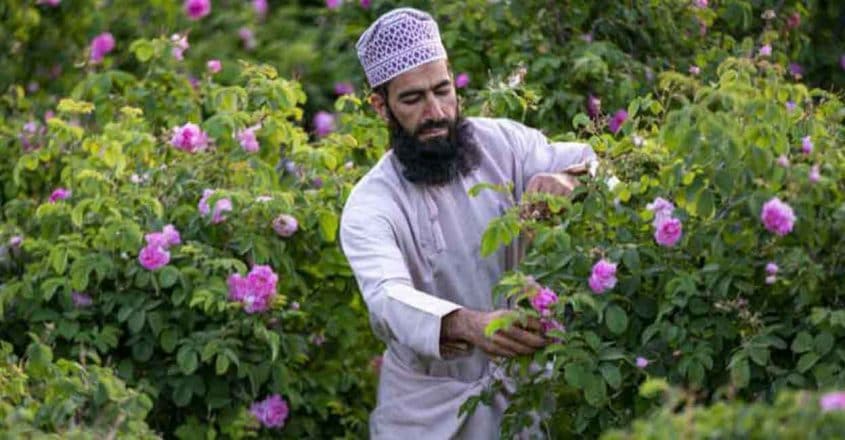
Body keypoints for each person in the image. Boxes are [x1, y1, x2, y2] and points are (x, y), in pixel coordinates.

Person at [339, 7, 597, 439]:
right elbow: (387, 298)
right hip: (424, 417)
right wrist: (465, 324)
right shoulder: (371, 204)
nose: (435, 112)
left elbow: (598, 164)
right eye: (413, 99)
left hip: (528, 397)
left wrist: (568, 181)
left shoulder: (503, 143)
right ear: (381, 107)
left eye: (443, 90)